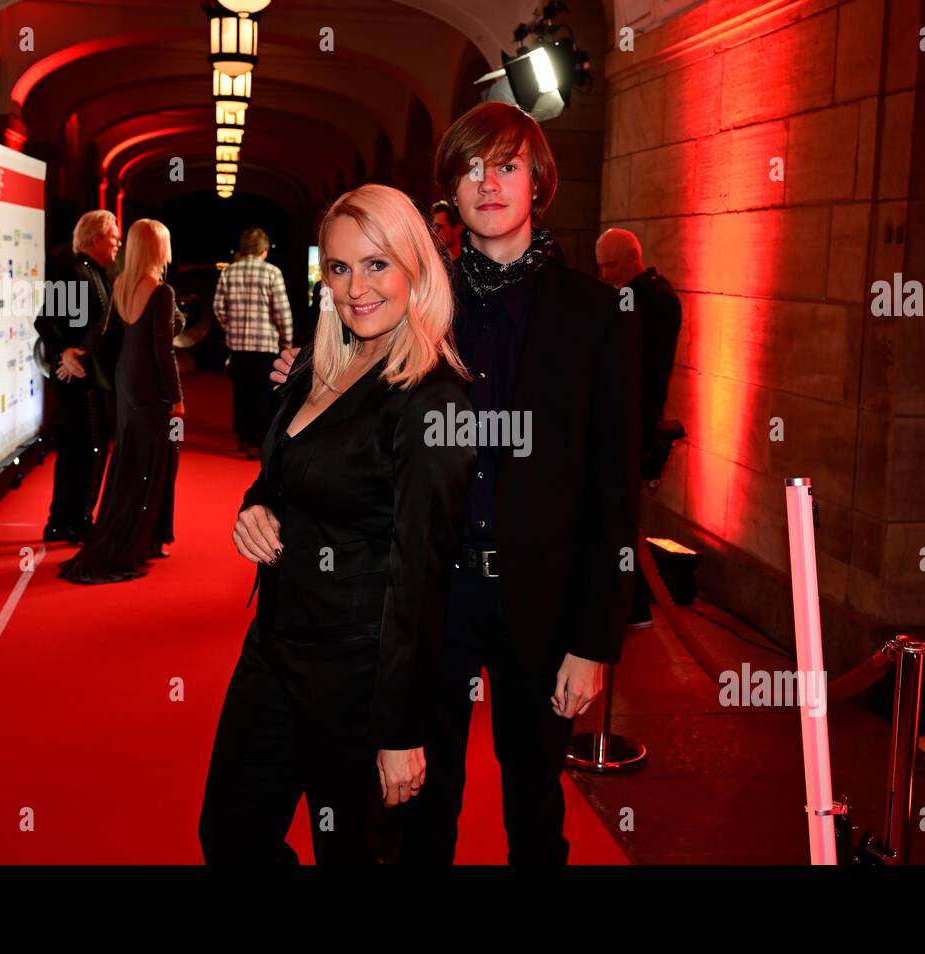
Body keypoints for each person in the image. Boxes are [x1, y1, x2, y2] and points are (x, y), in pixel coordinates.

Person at [272, 102, 640, 865]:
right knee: (417, 807)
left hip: (542, 600)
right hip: (427, 594)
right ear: (450, 190)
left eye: (506, 166)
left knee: (535, 801)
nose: (489, 183)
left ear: (537, 180)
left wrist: (595, 638)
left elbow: (615, 488)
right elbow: (346, 359)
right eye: (471, 168)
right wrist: (299, 376)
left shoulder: (597, 313)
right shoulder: (418, 299)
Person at [198, 184, 475, 866]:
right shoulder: (318, 365)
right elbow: (283, 473)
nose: (356, 287)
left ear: (417, 267)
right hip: (273, 646)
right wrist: (255, 508)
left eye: (377, 265)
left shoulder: (432, 401)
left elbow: (422, 575)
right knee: (230, 835)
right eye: (341, 267)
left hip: (358, 674)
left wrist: (402, 729)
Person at [56, 219, 184, 584]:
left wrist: (83, 349)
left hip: (127, 380)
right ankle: (146, 538)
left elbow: (104, 329)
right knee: (158, 457)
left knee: (132, 456)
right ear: (158, 247)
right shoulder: (161, 292)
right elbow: (164, 353)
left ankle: (148, 535)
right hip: (150, 383)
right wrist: (176, 398)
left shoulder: (122, 283)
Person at [596, 227, 683, 628]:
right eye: (602, 267)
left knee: (621, 520)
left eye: (611, 265)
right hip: (625, 422)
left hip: (633, 425)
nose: (606, 274)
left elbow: (636, 368)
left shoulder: (654, 298)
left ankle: (632, 604)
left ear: (633, 258)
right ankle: (627, 602)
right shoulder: (641, 296)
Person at [34, 210, 122, 543]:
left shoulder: (96, 272)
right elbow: (46, 321)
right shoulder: (71, 271)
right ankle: (64, 521)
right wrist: (63, 352)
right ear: (96, 238)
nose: (117, 244)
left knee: (91, 448)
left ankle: (77, 517)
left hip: (93, 376)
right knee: (80, 449)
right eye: (114, 237)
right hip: (78, 377)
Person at [214, 227, 293, 458]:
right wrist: (286, 340)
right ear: (264, 250)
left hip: (237, 345)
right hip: (265, 345)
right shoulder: (272, 273)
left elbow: (218, 308)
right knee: (262, 394)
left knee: (241, 390)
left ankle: (243, 434)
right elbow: (281, 310)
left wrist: (230, 327)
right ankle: (256, 441)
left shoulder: (229, 272)